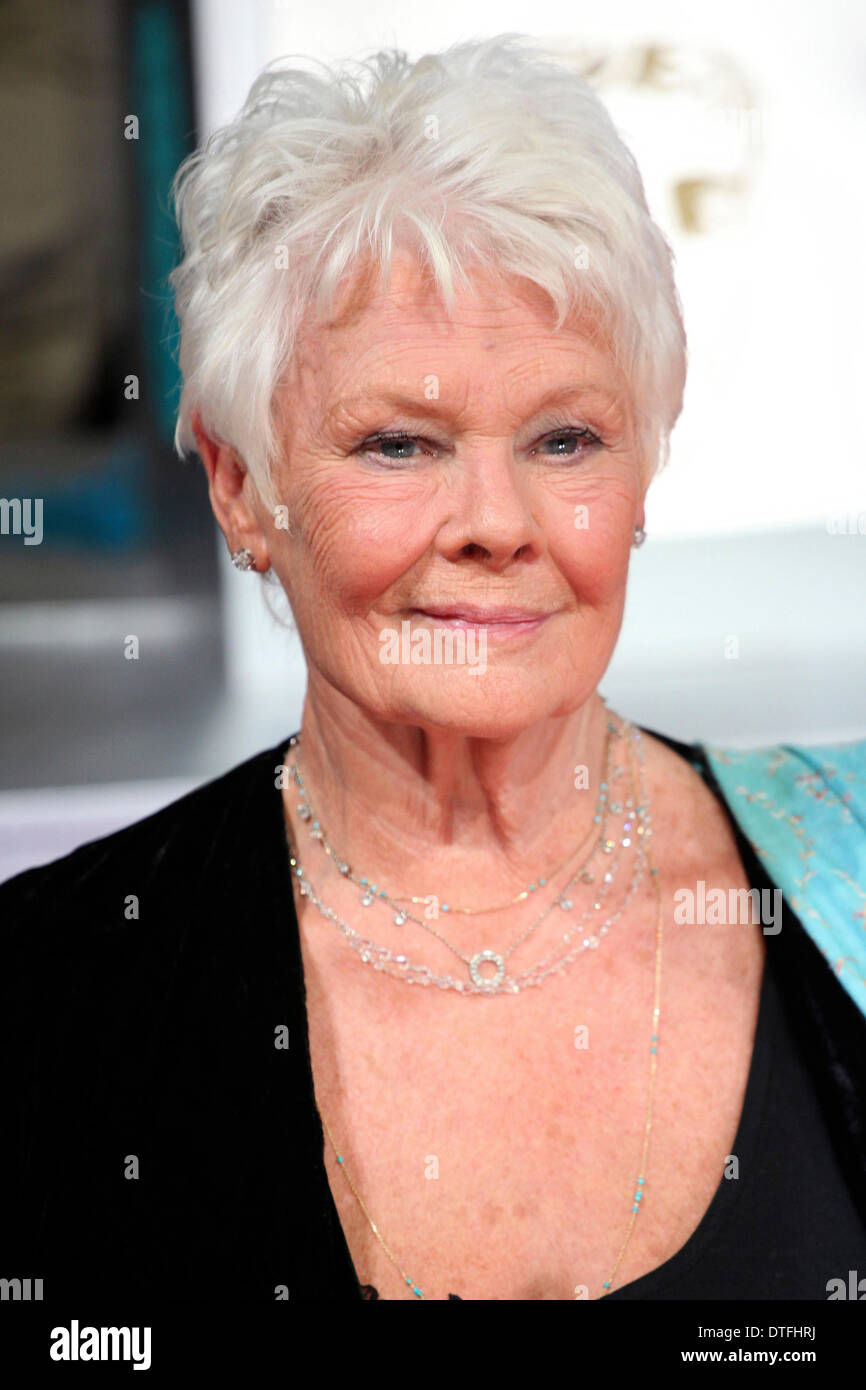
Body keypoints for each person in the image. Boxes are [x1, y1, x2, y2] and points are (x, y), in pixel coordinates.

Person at [2, 35, 864, 1303]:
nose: (495, 521)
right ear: (241, 487)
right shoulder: (50, 995)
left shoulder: (844, 868)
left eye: (565, 438)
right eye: (398, 446)